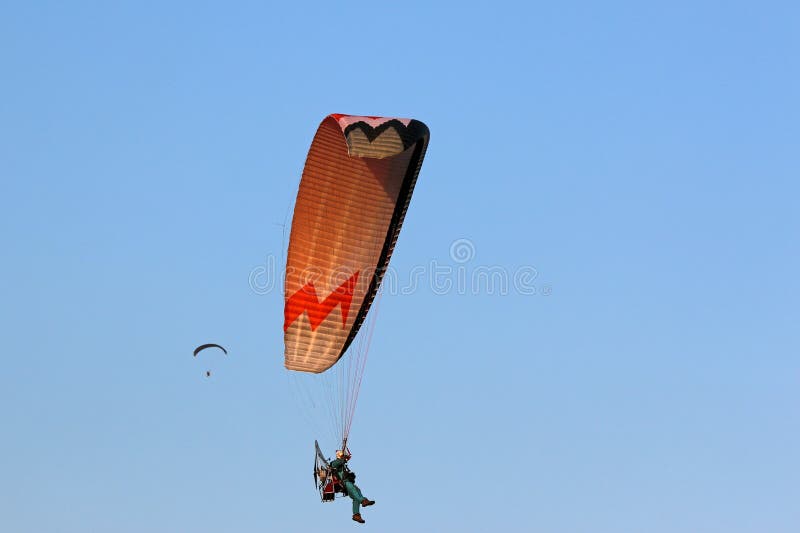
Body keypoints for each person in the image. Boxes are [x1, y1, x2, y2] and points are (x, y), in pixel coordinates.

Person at [329, 450, 375, 524]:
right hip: (343, 483)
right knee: (353, 489)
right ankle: (363, 501)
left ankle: (356, 515)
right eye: (342, 456)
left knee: (357, 491)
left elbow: (342, 461)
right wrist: (345, 459)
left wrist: (345, 459)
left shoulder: (342, 464)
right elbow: (335, 464)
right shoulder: (335, 462)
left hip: (347, 482)